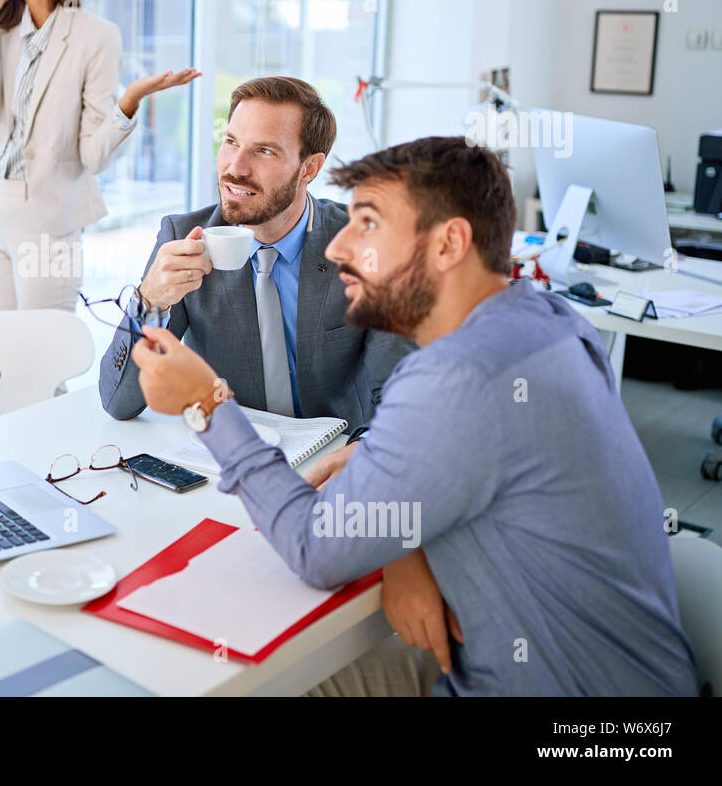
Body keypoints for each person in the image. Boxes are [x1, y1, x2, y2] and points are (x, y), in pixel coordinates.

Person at [129, 136, 700, 696]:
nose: (337, 249)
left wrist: (207, 403)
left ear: (449, 244)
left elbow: (314, 548)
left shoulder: (459, 377)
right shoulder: (548, 318)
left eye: (370, 225)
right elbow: (482, 460)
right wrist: (384, 479)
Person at [100, 76, 413, 431]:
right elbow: (118, 402)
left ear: (309, 168)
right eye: (231, 142)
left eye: (264, 151)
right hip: (228, 453)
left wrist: (360, 450)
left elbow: (398, 394)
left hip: (333, 459)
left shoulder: (363, 242)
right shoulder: (184, 238)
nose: (235, 168)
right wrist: (149, 300)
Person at [0, 0, 199, 311]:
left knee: (47, 352)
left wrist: (129, 100)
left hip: (50, 220)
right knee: (1, 348)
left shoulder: (96, 35)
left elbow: (93, 155)